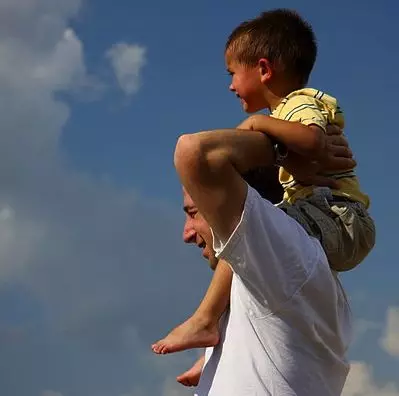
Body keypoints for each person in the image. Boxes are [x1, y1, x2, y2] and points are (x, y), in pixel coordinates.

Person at [152, 8, 375, 357]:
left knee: (247, 231)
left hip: (340, 215)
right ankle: (215, 344)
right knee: (247, 242)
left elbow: (313, 141)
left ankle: (206, 319)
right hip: (325, 213)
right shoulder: (283, 114)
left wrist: (257, 126)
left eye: (232, 74)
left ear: (264, 69)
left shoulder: (301, 102)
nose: (230, 85)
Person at [166, 124, 355, 395]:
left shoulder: (283, 256)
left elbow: (195, 152)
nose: (186, 233)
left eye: (194, 212)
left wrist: (284, 154)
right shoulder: (269, 279)